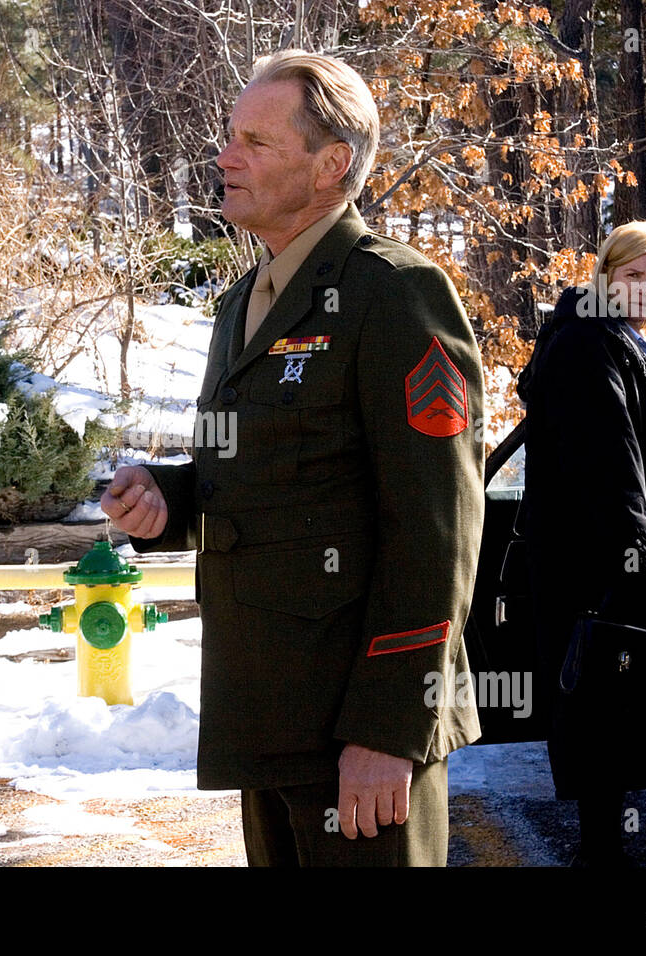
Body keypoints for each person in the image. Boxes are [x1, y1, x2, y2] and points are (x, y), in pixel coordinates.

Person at [101, 49, 485, 866]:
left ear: (331, 164)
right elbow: (264, 474)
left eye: (256, 142)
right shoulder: (246, 301)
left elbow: (439, 527)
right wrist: (169, 500)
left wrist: (390, 730)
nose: (224, 157)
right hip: (268, 720)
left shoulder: (393, 293)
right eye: (228, 137)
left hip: (358, 738)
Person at [516, 220, 646, 866]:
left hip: (619, 554)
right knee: (599, 708)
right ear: (606, 277)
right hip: (596, 563)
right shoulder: (587, 344)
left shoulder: (633, 341)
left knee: (611, 709)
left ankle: (607, 842)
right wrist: (634, 561)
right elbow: (610, 466)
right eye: (633, 275)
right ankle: (603, 851)